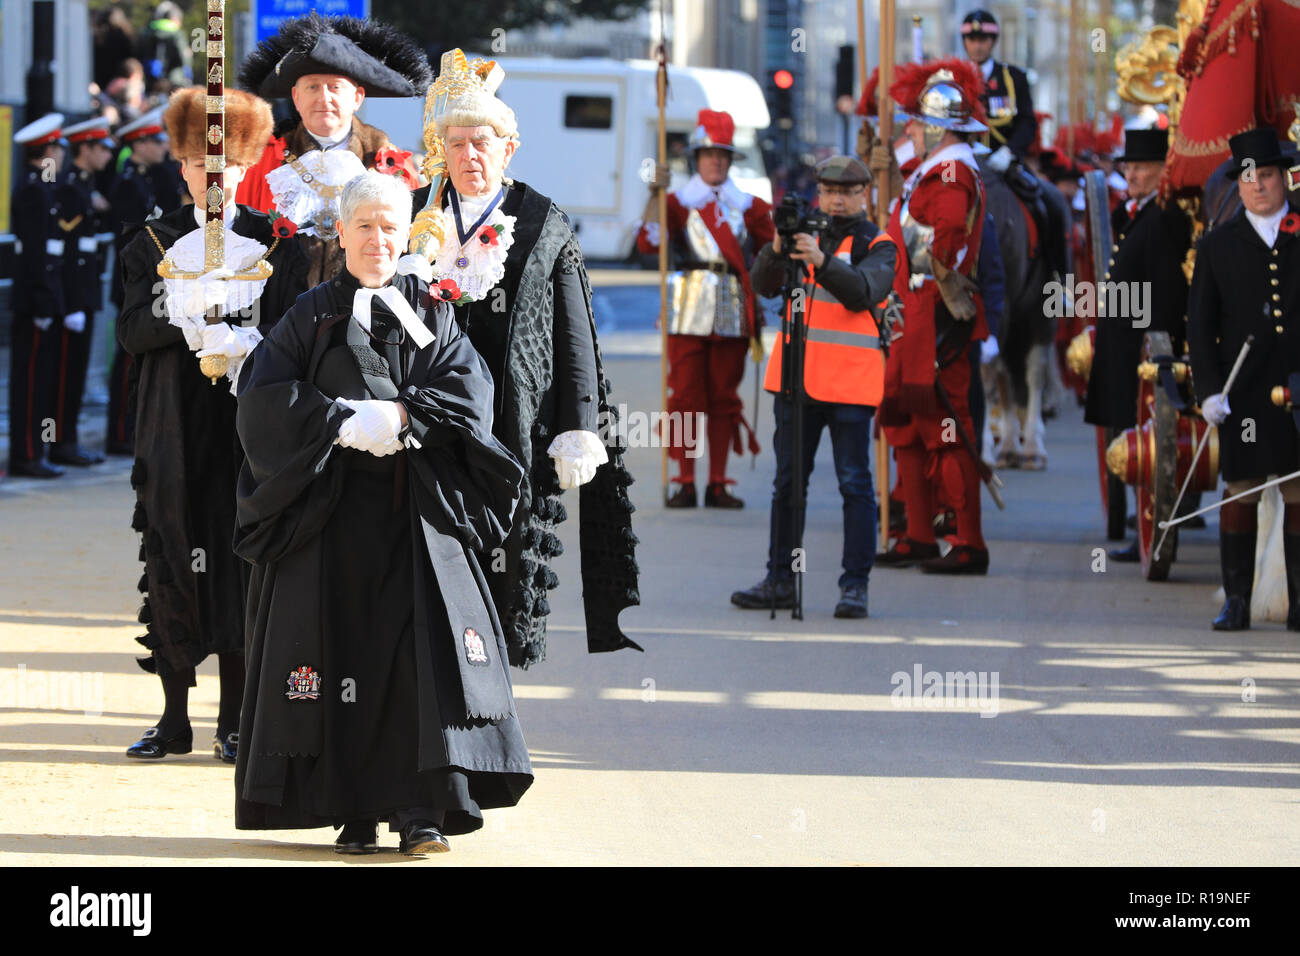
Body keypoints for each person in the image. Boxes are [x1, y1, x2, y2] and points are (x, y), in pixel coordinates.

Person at [234, 170, 531, 855]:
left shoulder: (434, 310)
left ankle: (422, 812)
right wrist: (334, 420)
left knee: (415, 662)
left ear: (407, 235)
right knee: (343, 652)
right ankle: (352, 810)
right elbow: (261, 397)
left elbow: (469, 395)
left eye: (390, 227)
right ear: (341, 234)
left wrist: (403, 414)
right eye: (363, 225)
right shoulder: (308, 314)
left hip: (415, 518)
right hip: (329, 520)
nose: (376, 239)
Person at [404, 50, 640, 670]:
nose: (469, 155)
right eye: (456, 144)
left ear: (508, 148)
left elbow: (575, 333)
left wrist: (579, 425)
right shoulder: (412, 219)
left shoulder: (541, 222)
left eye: (481, 142)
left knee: (504, 567)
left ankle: (492, 703)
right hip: (427, 424)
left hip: (515, 426)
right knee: (426, 564)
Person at [117, 88, 309, 762]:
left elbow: (293, 332)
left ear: (247, 168)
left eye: (227, 165)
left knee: (239, 559)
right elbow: (131, 332)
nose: (214, 176)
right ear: (183, 167)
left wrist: (245, 336)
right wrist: (184, 313)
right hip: (171, 422)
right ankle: (173, 719)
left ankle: (234, 721)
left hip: (244, 421)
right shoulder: (149, 239)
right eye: (203, 164)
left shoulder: (277, 243)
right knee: (171, 554)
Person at [730, 155, 898, 618]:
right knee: (787, 485)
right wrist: (777, 249)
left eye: (846, 191)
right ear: (819, 193)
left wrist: (821, 261)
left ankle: (855, 586)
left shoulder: (878, 243)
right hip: (795, 381)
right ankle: (779, 579)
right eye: (828, 191)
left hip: (849, 383)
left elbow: (864, 292)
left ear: (865, 195)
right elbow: (762, 285)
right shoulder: (803, 235)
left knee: (854, 484)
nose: (836, 199)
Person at [872, 58, 992, 574]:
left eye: (916, 125)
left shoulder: (952, 170)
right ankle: (917, 533)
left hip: (934, 313)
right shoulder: (932, 167)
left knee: (946, 427)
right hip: (910, 313)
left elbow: (946, 234)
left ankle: (968, 540)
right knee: (908, 426)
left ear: (938, 129)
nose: (909, 131)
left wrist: (939, 278)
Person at [1187, 128, 1300, 630]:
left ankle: (1299, 604)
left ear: (1283, 179)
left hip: (1298, 389)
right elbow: (1200, 326)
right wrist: (1209, 391)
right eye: (1249, 178)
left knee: (1298, 491)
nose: (1258, 186)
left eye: (1267, 175)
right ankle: (1236, 600)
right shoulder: (1217, 244)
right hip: (1244, 393)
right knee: (1240, 491)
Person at [636, 109, 773, 507]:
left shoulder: (750, 206)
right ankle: (682, 479)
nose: (715, 160)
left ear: (731, 160)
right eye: (708, 154)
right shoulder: (678, 202)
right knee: (684, 397)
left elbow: (773, 256)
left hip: (732, 307)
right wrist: (653, 196)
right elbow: (650, 244)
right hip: (688, 305)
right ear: (696, 158)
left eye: (722, 154)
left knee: (724, 397)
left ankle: (718, 481)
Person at [236, 11, 430, 286]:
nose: (323, 98)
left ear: (357, 97)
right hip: (278, 317)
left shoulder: (391, 164)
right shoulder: (264, 160)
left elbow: (405, 248)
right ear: (296, 97)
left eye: (335, 87)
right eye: (312, 87)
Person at [1082, 128, 1190, 561]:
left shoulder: (1163, 218)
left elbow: (1164, 291)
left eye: (1143, 167)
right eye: (1129, 167)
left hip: (1142, 345)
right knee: (1131, 428)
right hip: (1125, 338)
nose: (1134, 175)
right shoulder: (1142, 213)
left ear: (1164, 171)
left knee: (1144, 437)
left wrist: (1152, 347)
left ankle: (1151, 524)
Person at [105, 106, 169, 456]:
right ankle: (119, 433)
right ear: (140, 143)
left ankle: (132, 430)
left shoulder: (147, 179)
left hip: (148, 284)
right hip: (132, 285)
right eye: (156, 140)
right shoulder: (128, 184)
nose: (163, 146)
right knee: (127, 360)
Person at [52, 117, 115, 467]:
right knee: (64, 375)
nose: (108, 154)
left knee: (73, 375)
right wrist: (72, 302)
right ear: (85, 149)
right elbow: (69, 254)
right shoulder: (70, 190)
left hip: (84, 294)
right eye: (102, 148)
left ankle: (68, 440)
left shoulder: (86, 187)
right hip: (72, 298)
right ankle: (59, 442)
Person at [8, 113, 69, 479]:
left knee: (41, 378)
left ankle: (35, 450)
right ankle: (27, 453)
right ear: (47, 151)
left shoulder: (42, 188)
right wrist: (45, 300)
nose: (60, 157)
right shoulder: (33, 189)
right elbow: (35, 253)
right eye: (57, 150)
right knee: (30, 381)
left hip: (41, 298)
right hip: (34, 302)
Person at [961, 10, 1036, 170]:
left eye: (983, 40)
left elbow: (1027, 122)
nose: (977, 46)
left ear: (993, 41)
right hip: (963, 162)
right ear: (964, 42)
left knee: (1042, 193)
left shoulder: (1014, 78)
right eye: (972, 40)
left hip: (1004, 165)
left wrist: (1009, 152)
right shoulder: (954, 78)